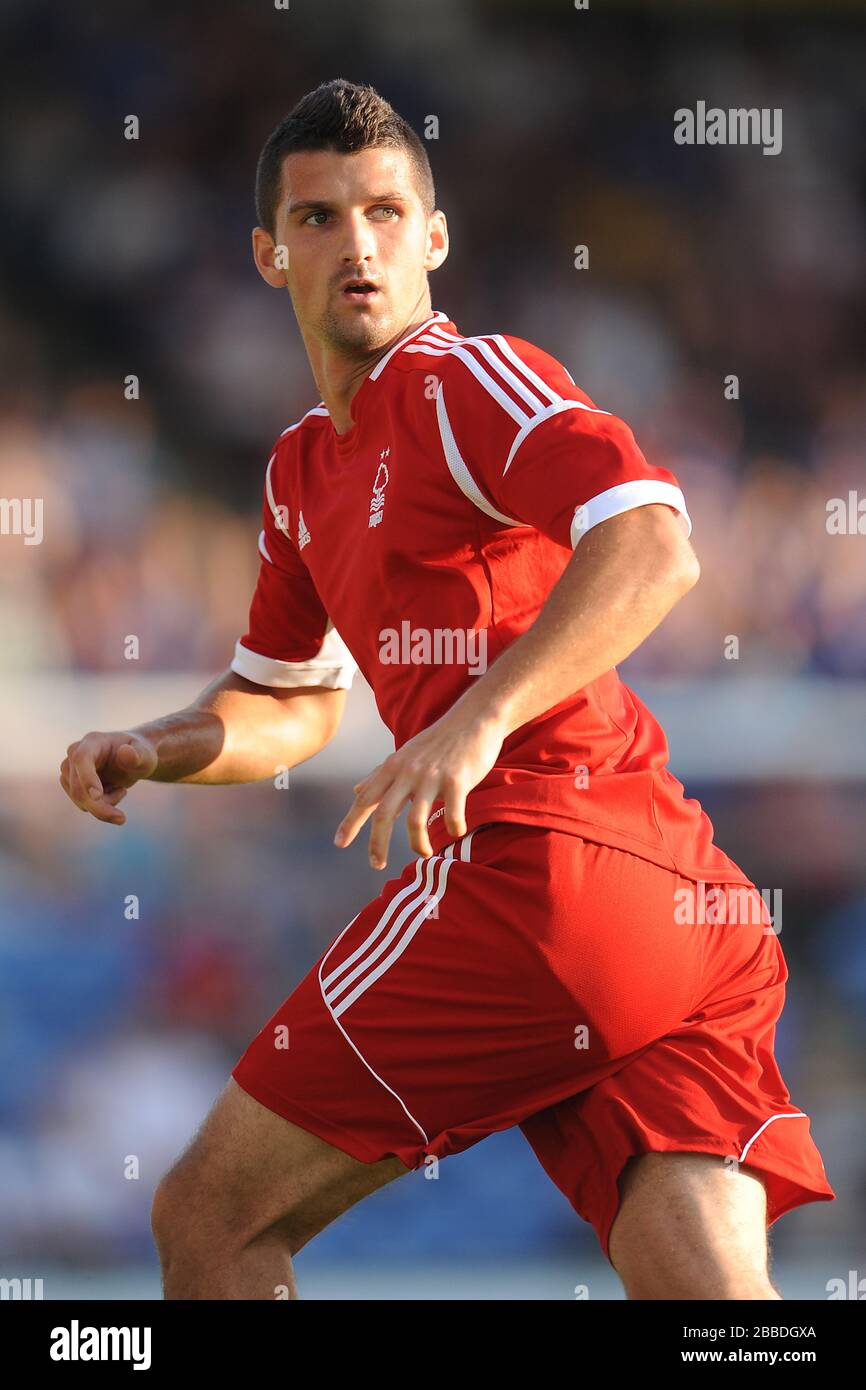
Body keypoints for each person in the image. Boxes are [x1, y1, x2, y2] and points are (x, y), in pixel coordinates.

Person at [60, 79, 834, 1300]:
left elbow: (652, 541)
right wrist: (153, 746)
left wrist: (472, 725)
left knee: (207, 1216)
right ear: (269, 255)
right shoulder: (299, 472)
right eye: (317, 219)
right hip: (682, 924)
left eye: (383, 211)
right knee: (715, 1306)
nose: (355, 244)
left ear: (433, 238)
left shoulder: (463, 383)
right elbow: (289, 703)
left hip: (541, 876)